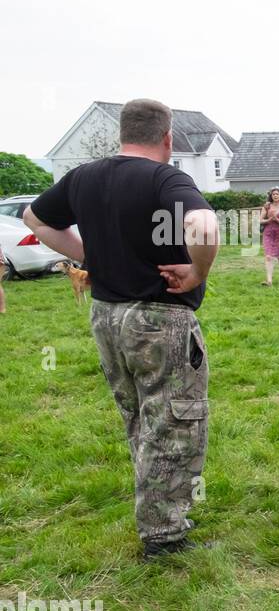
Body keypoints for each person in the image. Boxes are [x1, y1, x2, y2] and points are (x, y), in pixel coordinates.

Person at [23, 98, 220, 558]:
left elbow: (35, 219)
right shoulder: (166, 178)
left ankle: (156, 514)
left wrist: (90, 256)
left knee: (139, 416)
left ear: (123, 133)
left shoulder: (83, 176)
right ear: (167, 138)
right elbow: (206, 226)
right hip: (159, 317)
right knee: (173, 419)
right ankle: (163, 534)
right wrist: (196, 272)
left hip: (107, 315)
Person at [259, 187, 279, 285]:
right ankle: (269, 281)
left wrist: (276, 219)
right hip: (268, 233)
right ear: (271, 196)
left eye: (277, 194)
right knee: (268, 256)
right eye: (273, 194)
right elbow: (261, 220)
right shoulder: (267, 206)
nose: (275, 196)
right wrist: (269, 220)